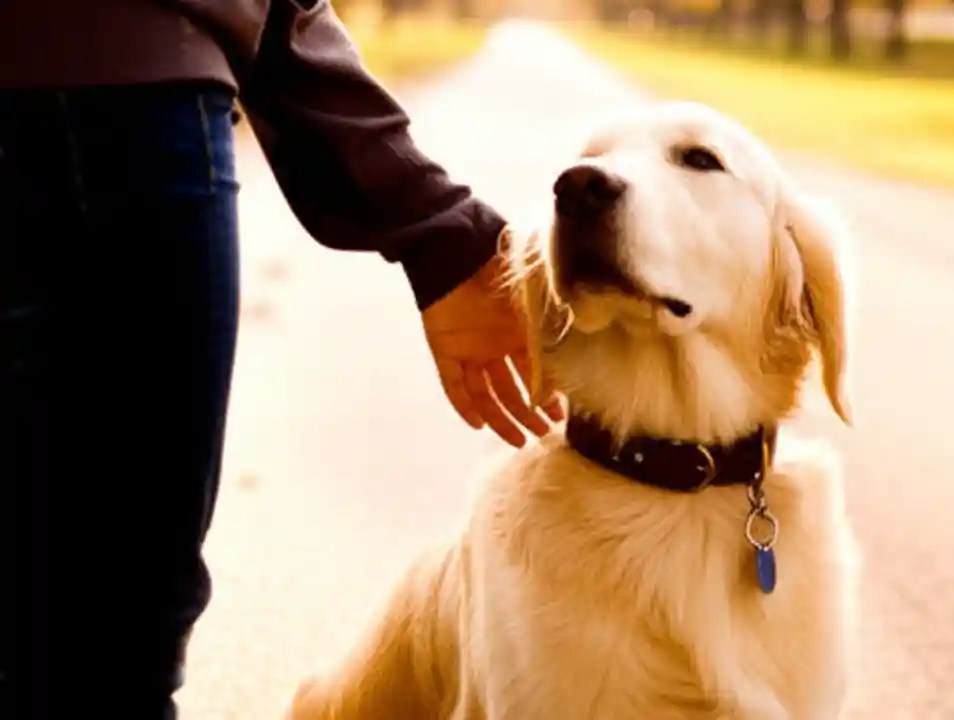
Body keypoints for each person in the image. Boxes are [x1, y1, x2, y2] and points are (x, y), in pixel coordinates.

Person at [0, 1, 561, 718]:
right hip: (144, 120)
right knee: (118, 644)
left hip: (148, 115)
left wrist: (438, 229)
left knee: (119, 638)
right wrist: (431, 222)